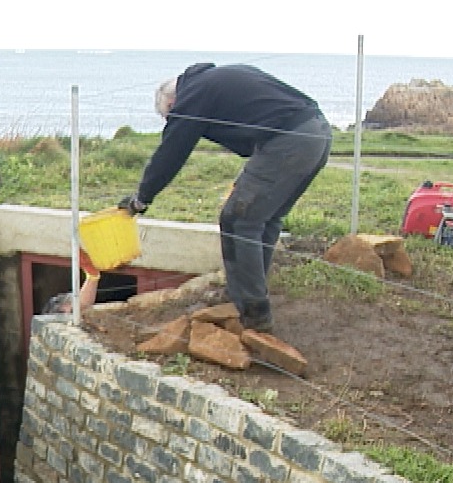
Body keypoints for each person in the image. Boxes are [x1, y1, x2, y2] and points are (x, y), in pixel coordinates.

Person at [119, 63, 332, 334]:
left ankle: (252, 310)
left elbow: (172, 151)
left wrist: (142, 198)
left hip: (288, 142)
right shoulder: (213, 81)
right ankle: (249, 295)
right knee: (264, 218)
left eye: (170, 118)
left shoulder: (191, 96)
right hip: (317, 133)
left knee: (237, 220)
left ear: (172, 103)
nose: (173, 122)